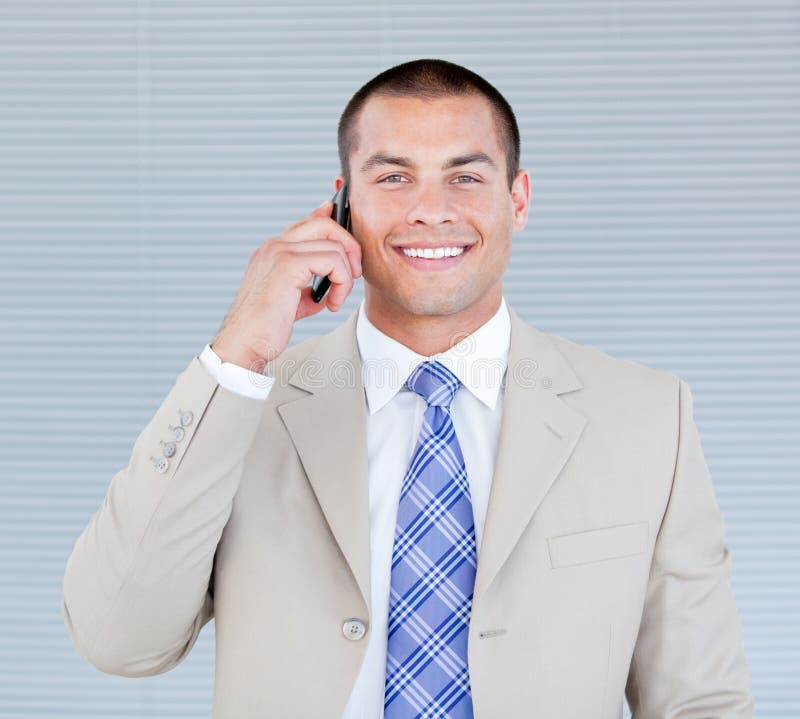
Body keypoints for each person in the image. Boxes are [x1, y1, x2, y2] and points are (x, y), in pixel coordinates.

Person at [62, 58, 754, 718]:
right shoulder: (244, 409)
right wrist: (239, 344)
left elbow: (701, 701)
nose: (430, 210)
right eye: (393, 178)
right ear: (342, 204)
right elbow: (117, 638)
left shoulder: (647, 418)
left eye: (465, 177)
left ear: (518, 200)